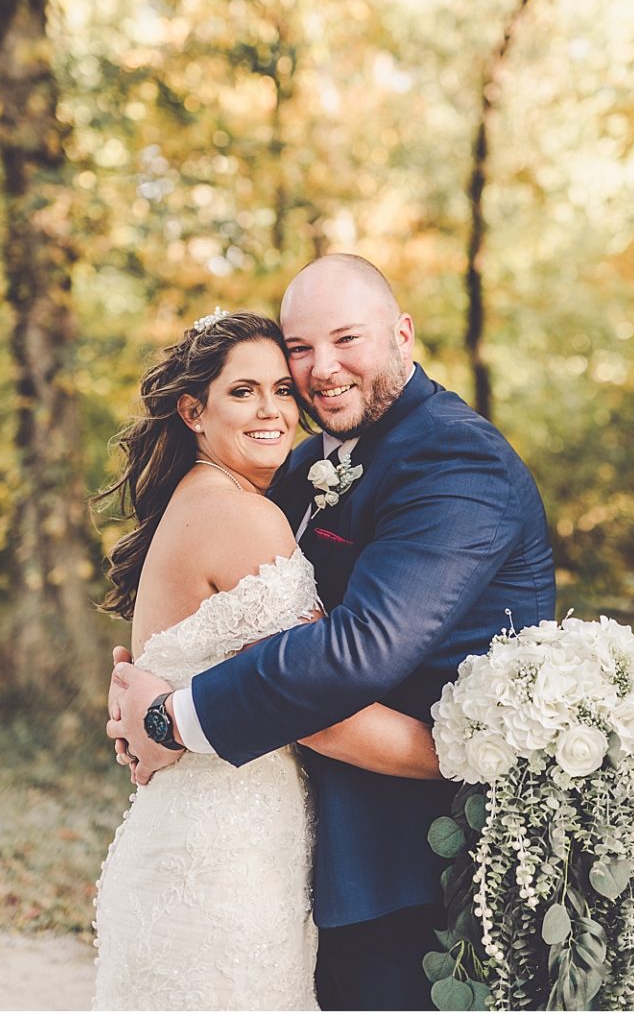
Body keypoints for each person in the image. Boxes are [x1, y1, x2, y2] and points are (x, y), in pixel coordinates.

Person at [104, 256, 555, 1010]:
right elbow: (217, 615)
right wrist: (144, 687)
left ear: (403, 334)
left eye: (346, 340)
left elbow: (353, 654)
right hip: (298, 852)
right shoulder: (299, 463)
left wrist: (169, 715)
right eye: (300, 350)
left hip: (412, 867)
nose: (319, 372)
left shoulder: (455, 456)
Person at [91, 309, 445, 1010]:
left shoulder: (205, 498)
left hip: (198, 831)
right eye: (244, 391)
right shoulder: (241, 515)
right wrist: (461, 753)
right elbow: (318, 698)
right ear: (193, 410)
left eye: (284, 390)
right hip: (226, 855)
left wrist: (153, 717)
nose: (273, 410)